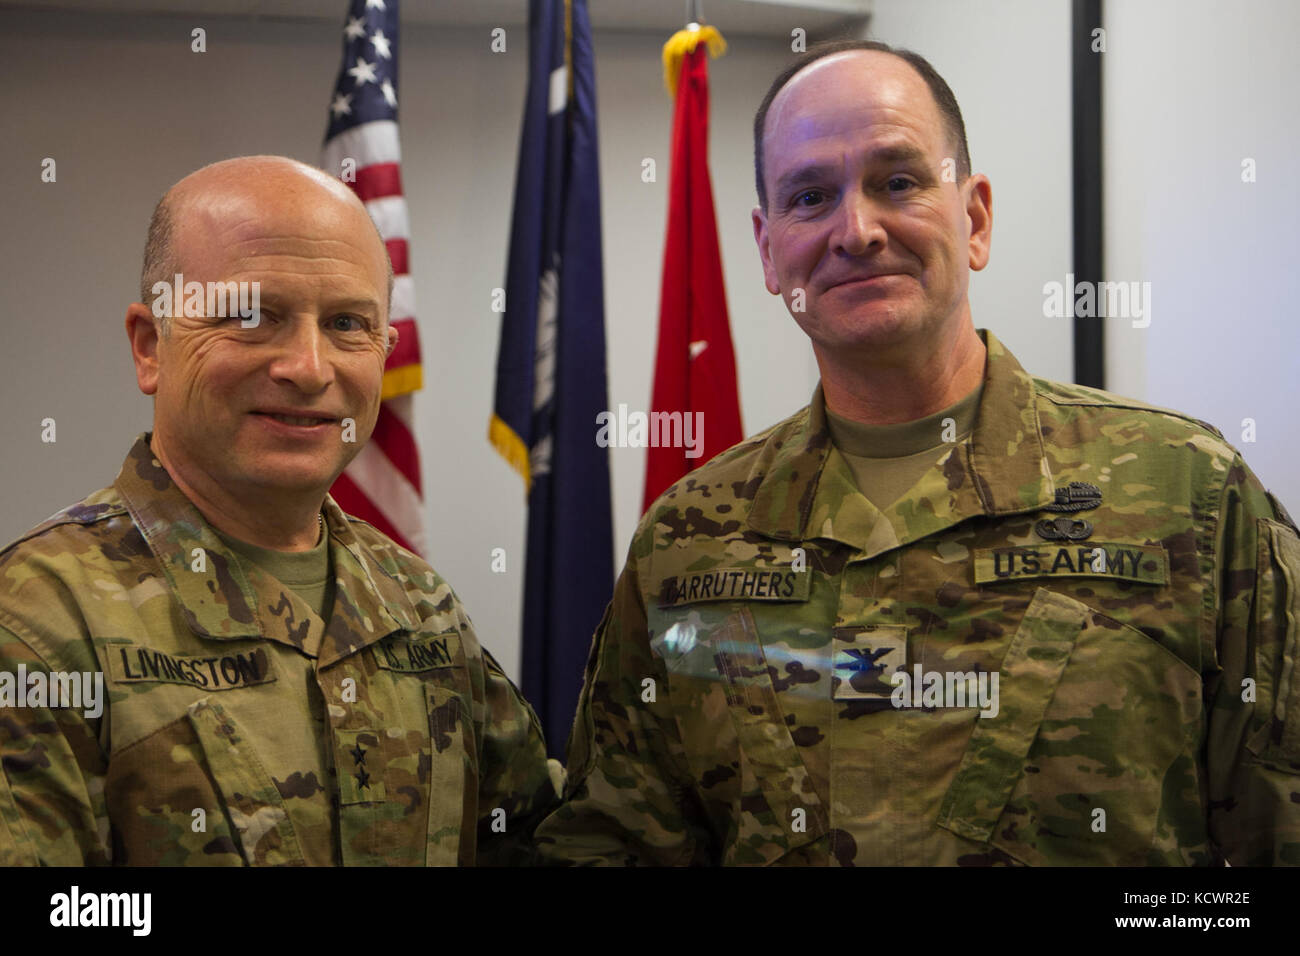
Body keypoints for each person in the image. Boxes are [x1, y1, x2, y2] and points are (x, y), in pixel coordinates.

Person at [536, 40, 1300, 865]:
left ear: (973, 218)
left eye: (897, 182)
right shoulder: (686, 543)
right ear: (767, 249)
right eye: (810, 197)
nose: (856, 231)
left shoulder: (1188, 490)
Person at [0, 156, 558, 866]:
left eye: (348, 323)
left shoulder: (418, 607)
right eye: (252, 317)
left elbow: (537, 845)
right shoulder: (39, 622)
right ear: (150, 347)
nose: (309, 367)